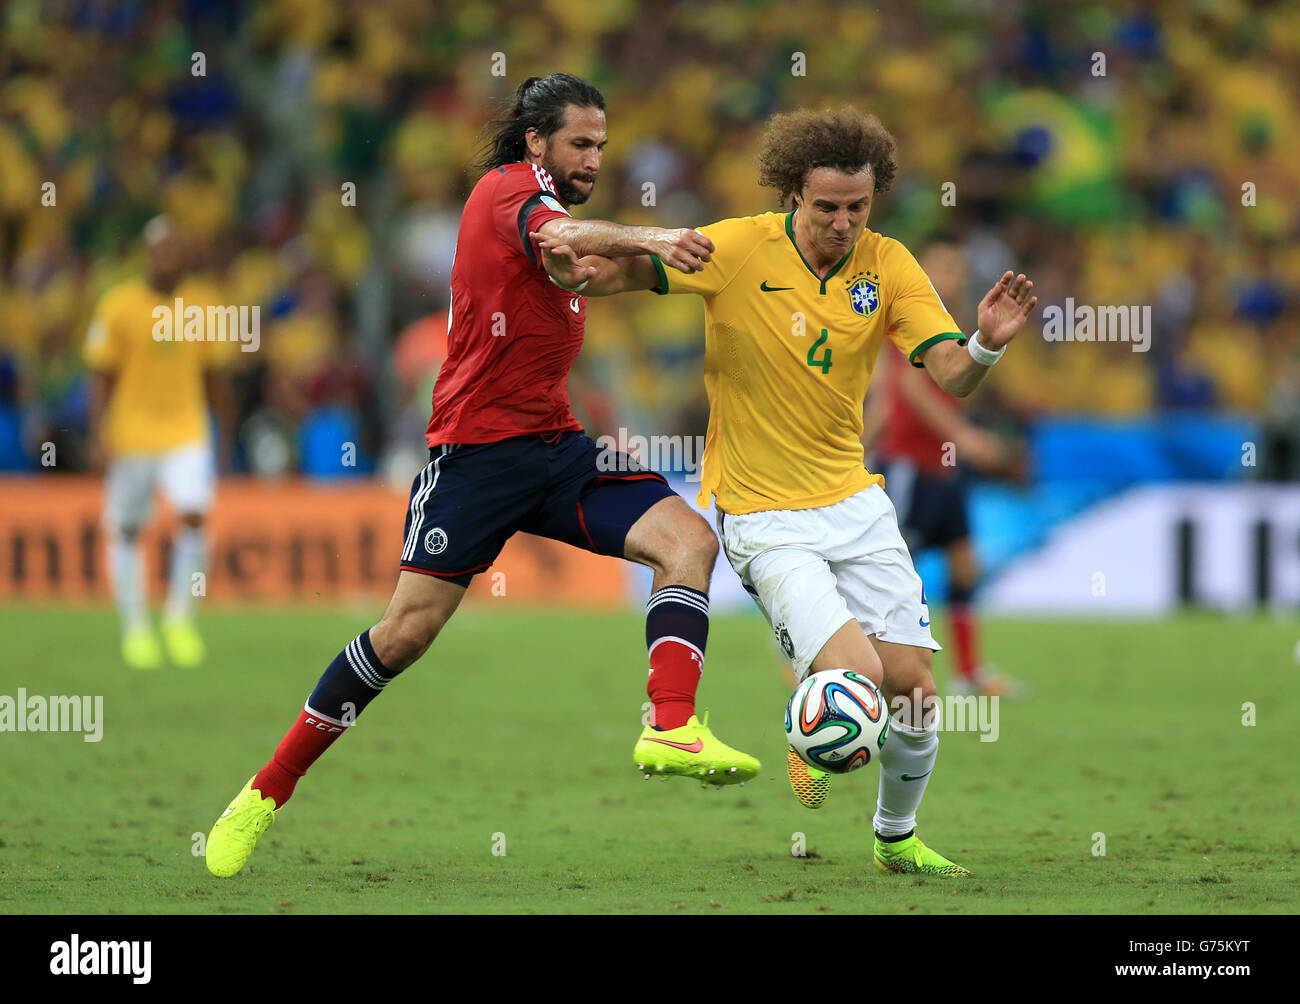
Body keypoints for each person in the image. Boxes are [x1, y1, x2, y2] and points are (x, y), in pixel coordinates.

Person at [205, 73, 759, 879]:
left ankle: (670, 724)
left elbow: (579, 266)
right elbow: (565, 243)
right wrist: (653, 235)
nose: (593, 157)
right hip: (475, 456)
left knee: (687, 540)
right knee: (404, 634)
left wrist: (703, 262)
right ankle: (265, 791)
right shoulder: (509, 192)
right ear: (537, 142)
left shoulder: (553, 223)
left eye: (601, 145)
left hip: (557, 446)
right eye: (580, 143)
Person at [534, 107, 1037, 876]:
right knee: (858, 675)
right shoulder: (737, 247)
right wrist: (578, 266)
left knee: (916, 691)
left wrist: (986, 345)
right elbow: (622, 275)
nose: (842, 222)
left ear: (875, 199)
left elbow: (953, 376)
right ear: (793, 192)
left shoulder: (891, 265)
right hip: (764, 511)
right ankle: (815, 716)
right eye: (826, 206)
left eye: (856, 208)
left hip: (855, 501)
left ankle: (894, 838)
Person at [865, 236, 1026, 698]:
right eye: (942, 267)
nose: (951, 277)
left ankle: (970, 672)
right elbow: (909, 392)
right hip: (908, 469)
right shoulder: (909, 319)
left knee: (964, 567)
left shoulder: (954, 327)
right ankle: (863, 665)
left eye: (957, 268)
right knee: (889, 574)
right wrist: (967, 439)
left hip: (942, 471)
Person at [83, 217, 225, 670]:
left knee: (194, 516)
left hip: (187, 431)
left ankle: (179, 620)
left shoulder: (203, 304)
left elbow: (213, 375)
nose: (167, 257)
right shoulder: (119, 306)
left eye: (174, 249)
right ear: (148, 254)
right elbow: (100, 375)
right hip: (132, 434)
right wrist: (98, 433)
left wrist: (221, 430)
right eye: (160, 249)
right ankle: (136, 628)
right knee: (126, 529)